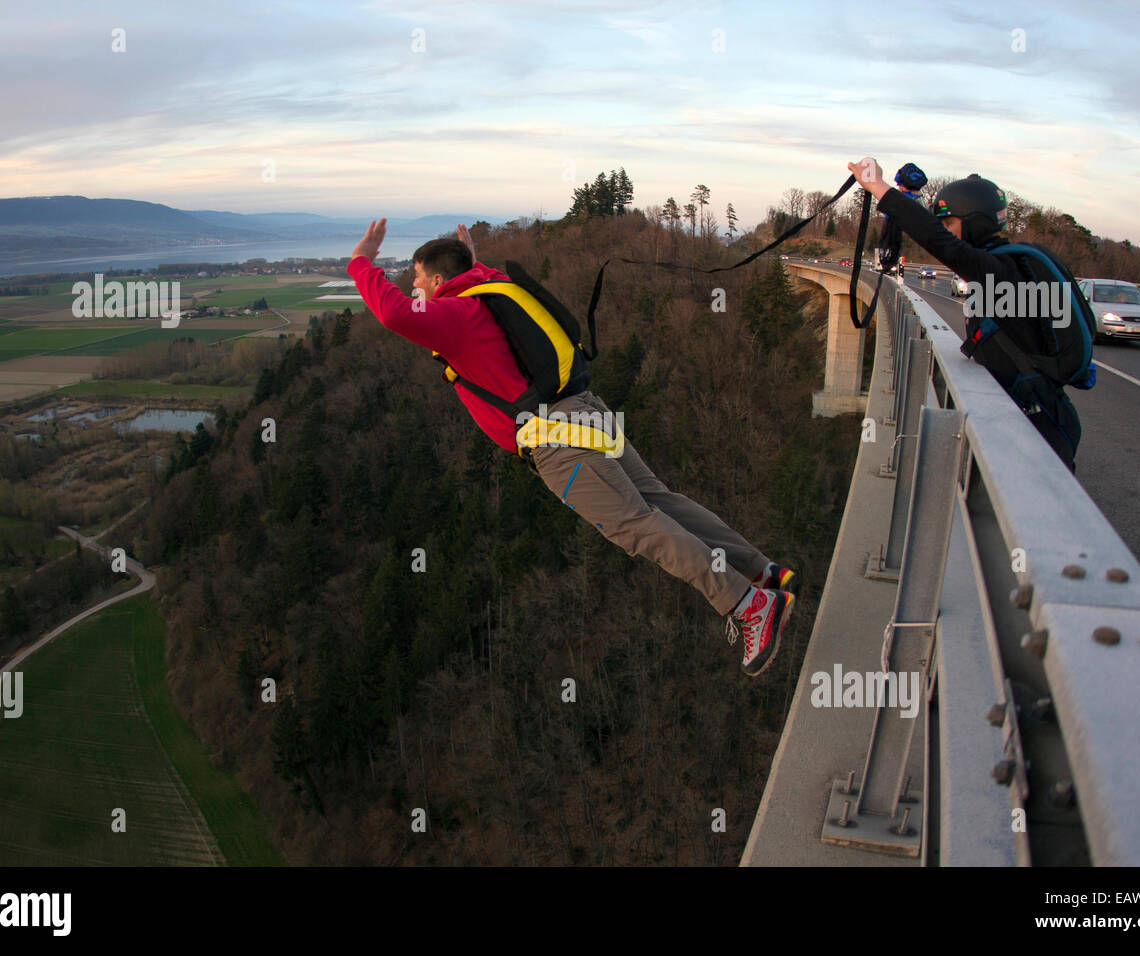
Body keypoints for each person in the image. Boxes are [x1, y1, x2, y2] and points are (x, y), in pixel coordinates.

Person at [346, 219, 798, 676]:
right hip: (587, 411)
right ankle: (761, 572)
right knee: (660, 502)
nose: (413, 287)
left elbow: (393, 314)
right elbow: (473, 289)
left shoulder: (455, 314)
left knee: (638, 525)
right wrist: (473, 259)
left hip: (556, 441)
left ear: (440, 282)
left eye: (418, 278)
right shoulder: (490, 288)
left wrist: (361, 261)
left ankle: (748, 603)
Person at [848, 159, 1083, 472]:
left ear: (975, 223)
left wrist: (878, 187)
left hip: (1039, 428)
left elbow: (940, 243)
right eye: (944, 225)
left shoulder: (1000, 273)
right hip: (1035, 416)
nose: (946, 231)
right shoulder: (1012, 266)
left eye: (950, 223)